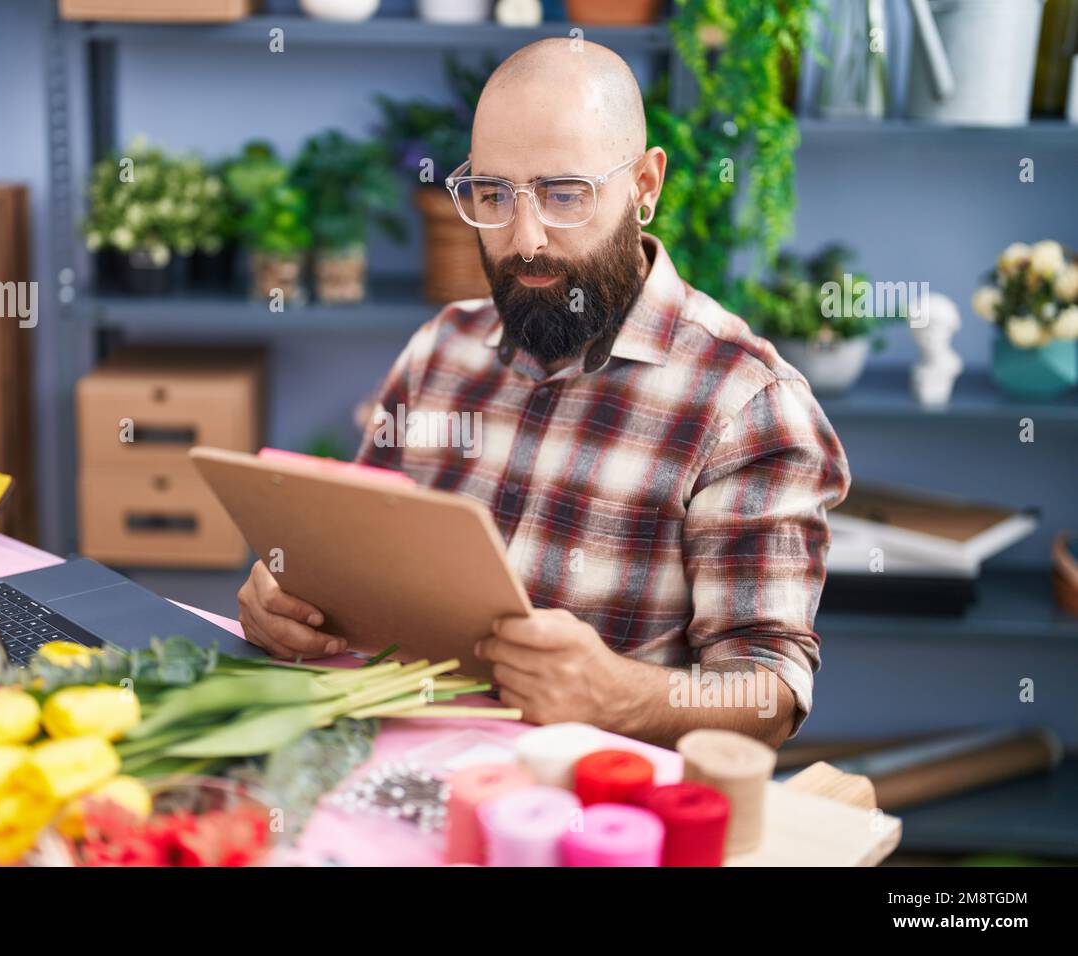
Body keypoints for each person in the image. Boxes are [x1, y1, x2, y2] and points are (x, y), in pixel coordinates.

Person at [237, 38, 850, 748]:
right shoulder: (442, 347)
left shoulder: (747, 402)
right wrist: (290, 597)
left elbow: (769, 695)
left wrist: (617, 695)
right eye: (494, 195)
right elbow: (348, 560)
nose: (525, 239)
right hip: (394, 773)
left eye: (564, 194)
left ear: (645, 187)